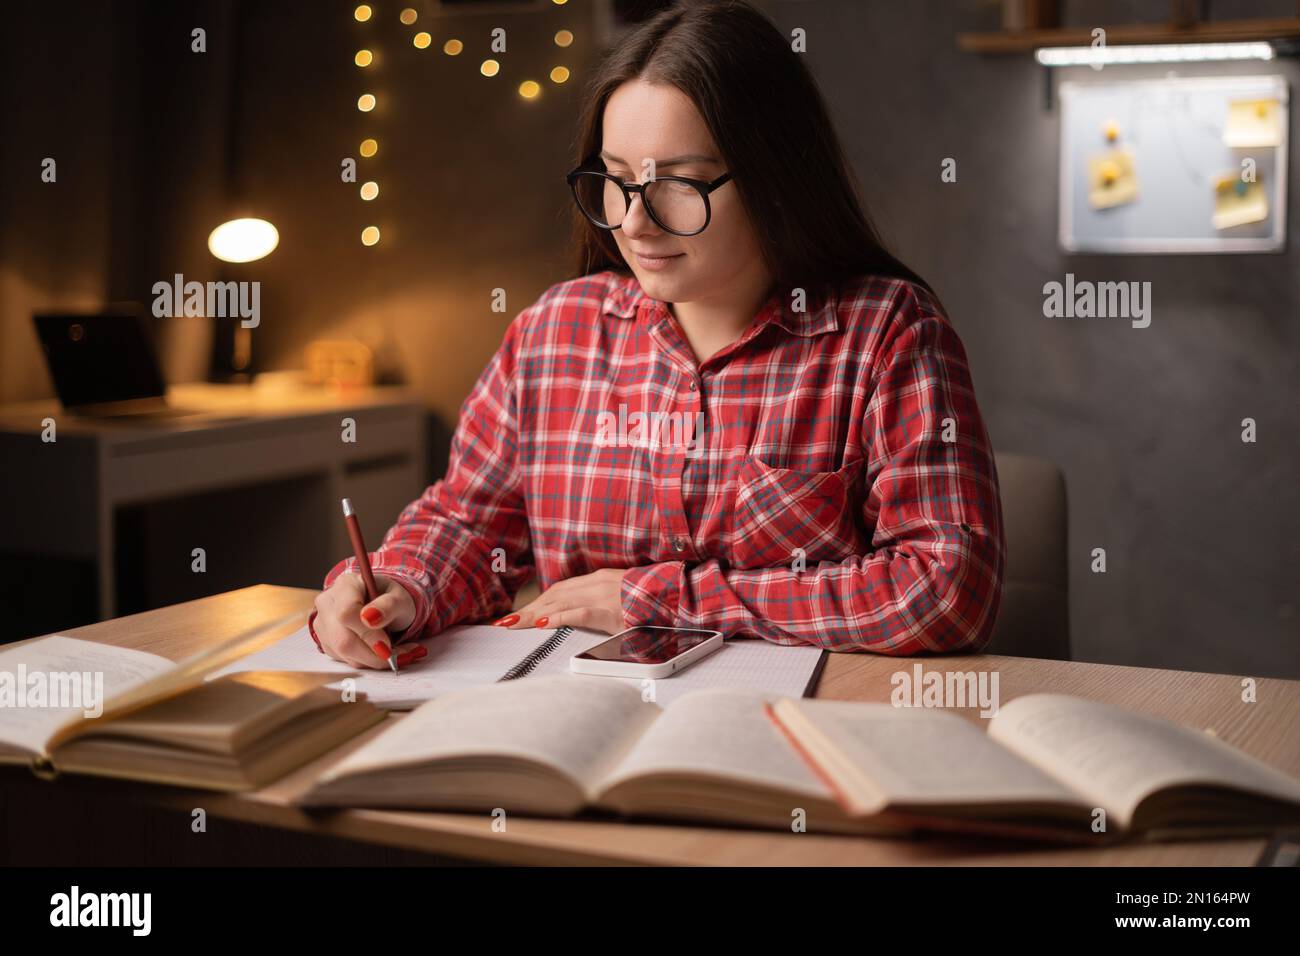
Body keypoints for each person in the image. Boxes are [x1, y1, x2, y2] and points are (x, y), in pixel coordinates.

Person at [311, 0, 1004, 670]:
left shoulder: (887, 335)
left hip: (797, 733)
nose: (634, 222)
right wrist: (397, 586)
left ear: (774, 178)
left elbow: (947, 589)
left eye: (679, 182)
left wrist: (664, 599)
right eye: (614, 181)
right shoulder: (553, 334)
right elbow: (469, 527)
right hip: (577, 718)